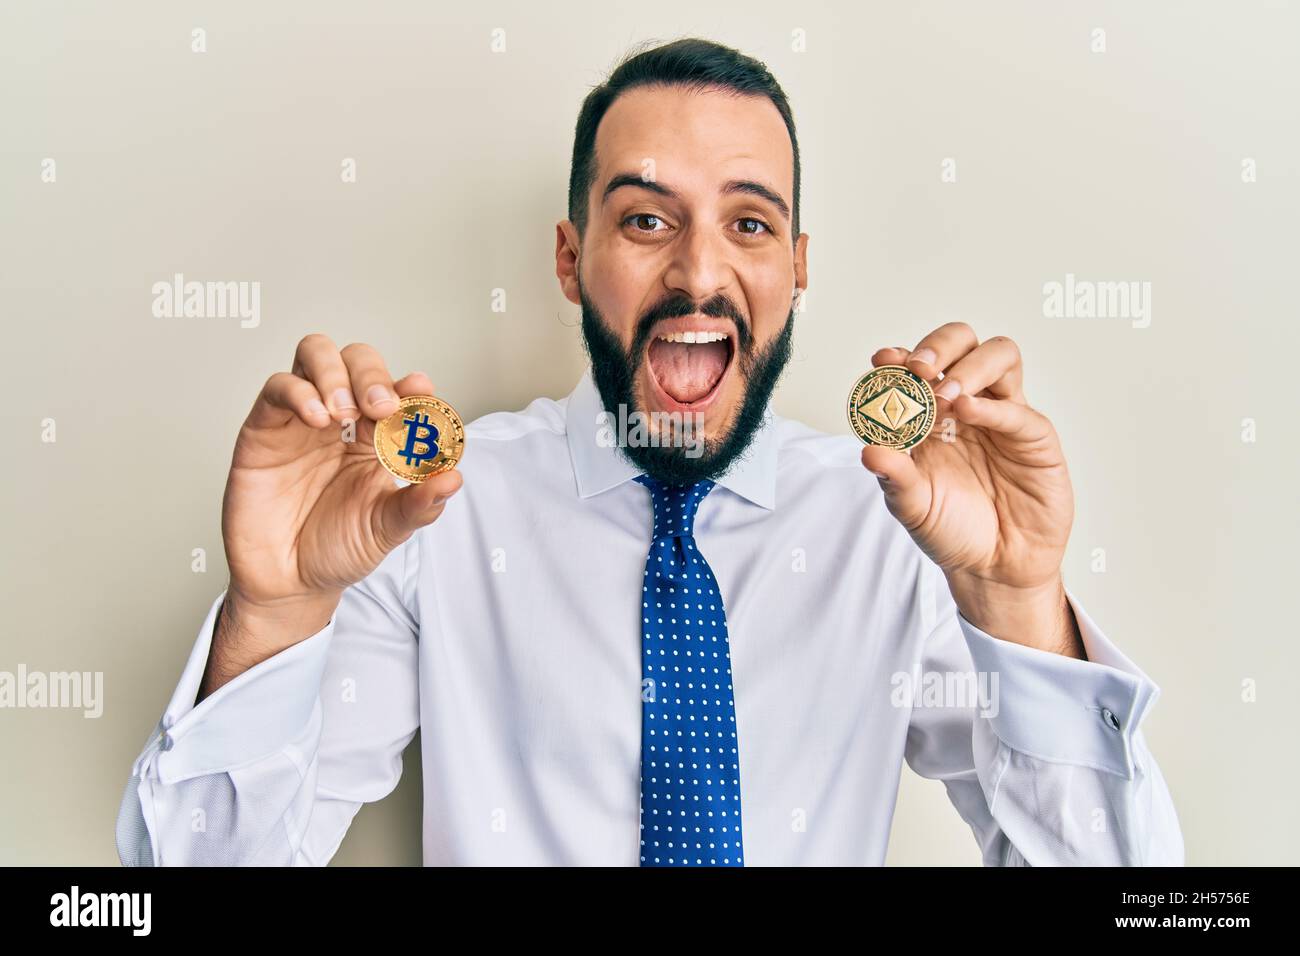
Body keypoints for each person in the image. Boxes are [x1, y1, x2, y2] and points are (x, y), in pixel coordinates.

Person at [116, 37, 1183, 866]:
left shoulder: (897, 530)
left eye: (751, 225)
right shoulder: (428, 516)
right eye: (644, 221)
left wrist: (1016, 604)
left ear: (798, 269)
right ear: (571, 258)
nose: (697, 275)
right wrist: (276, 614)